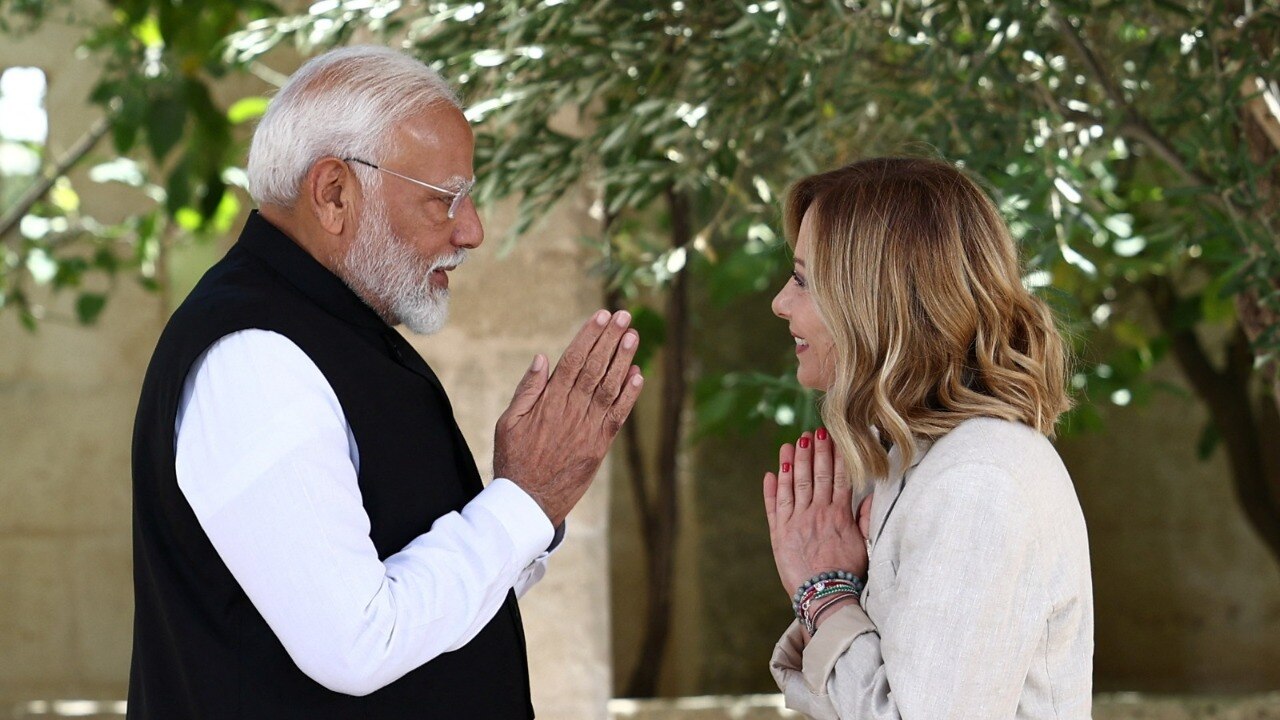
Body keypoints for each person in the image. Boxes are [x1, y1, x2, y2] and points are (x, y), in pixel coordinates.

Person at [128, 45, 643, 719]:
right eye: (446, 199)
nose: (473, 230)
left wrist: (527, 511)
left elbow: (417, 612)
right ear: (335, 193)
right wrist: (523, 502)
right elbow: (359, 642)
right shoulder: (255, 356)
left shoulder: (330, 330)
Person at [763, 157, 1092, 719]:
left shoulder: (978, 482)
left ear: (874, 299)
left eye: (802, 279)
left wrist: (824, 591)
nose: (780, 303)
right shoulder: (920, 465)